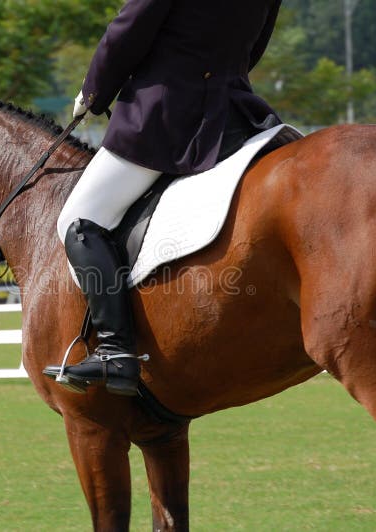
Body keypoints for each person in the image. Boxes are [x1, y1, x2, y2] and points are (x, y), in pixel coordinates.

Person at [51, 0, 283, 396]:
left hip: (163, 116)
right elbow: (255, 46)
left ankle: (115, 351)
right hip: (235, 115)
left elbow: (128, 29)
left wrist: (93, 93)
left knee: (79, 220)